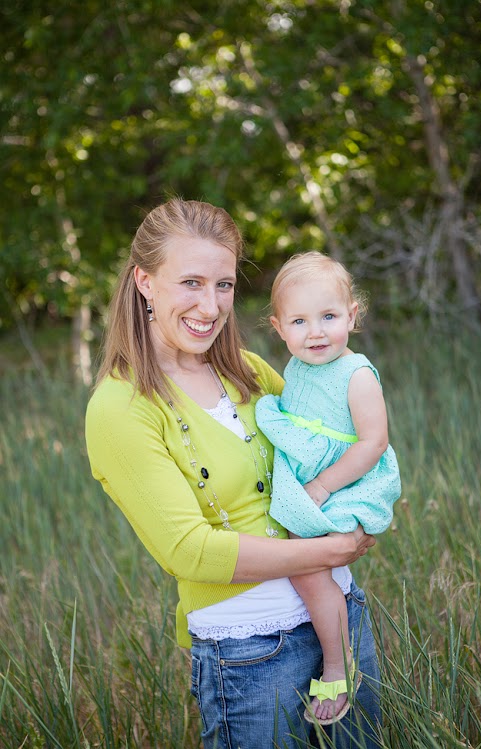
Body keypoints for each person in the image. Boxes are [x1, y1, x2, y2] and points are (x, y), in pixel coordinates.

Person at [85, 199, 383, 749]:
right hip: (250, 654)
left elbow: (333, 442)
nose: (211, 304)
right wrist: (326, 551)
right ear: (145, 282)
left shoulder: (249, 372)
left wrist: (360, 511)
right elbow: (190, 550)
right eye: (191, 282)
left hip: (342, 619)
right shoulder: (120, 408)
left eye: (223, 285)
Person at [254, 251, 401, 725]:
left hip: (351, 479)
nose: (315, 332)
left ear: (352, 316)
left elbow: (374, 443)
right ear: (278, 328)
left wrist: (320, 485)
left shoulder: (355, 374)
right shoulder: (297, 368)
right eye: (300, 321)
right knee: (303, 561)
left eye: (329, 317)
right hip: (318, 476)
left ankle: (337, 666)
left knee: (307, 565)